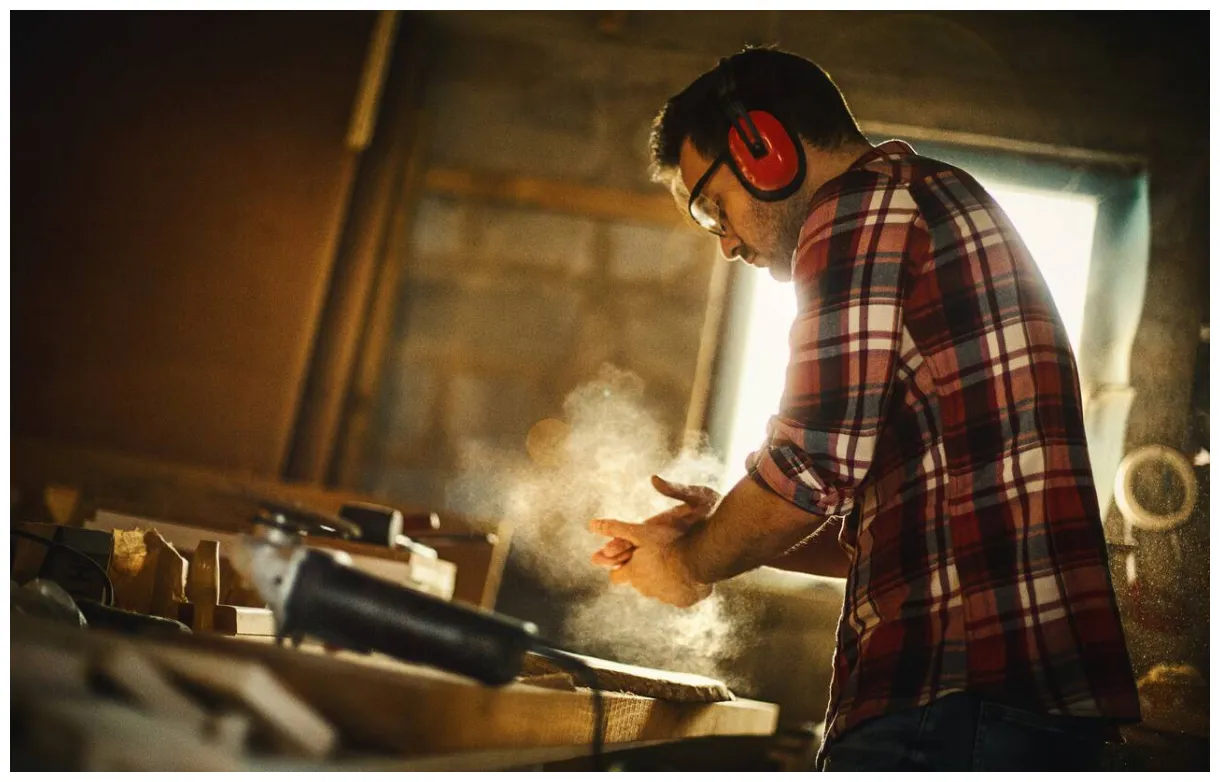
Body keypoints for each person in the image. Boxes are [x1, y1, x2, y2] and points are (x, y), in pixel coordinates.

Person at [588, 46, 1141, 772]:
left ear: (764, 148)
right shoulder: (919, 202)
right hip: (1005, 704)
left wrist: (690, 563)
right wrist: (720, 526)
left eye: (714, 206)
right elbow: (881, 532)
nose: (723, 243)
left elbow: (811, 467)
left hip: (953, 703)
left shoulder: (863, 206)